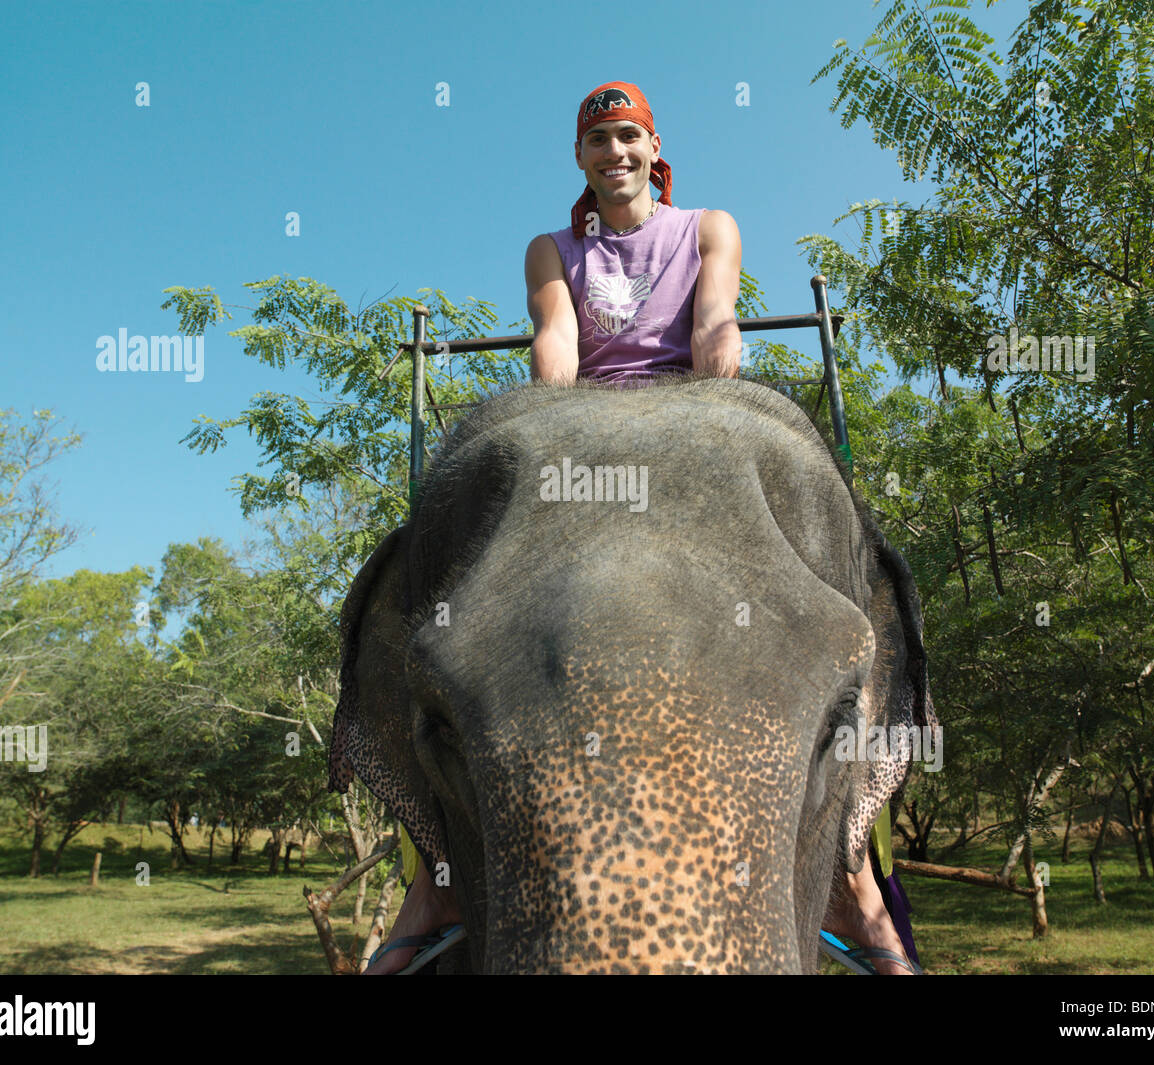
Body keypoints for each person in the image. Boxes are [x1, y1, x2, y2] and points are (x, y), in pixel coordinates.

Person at [367, 80, 918, 975]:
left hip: (696, 429)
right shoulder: (550, 250)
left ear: (653, 148)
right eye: (598, 143)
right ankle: (436, 876)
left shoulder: (707, 227)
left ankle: (850, 875)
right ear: (579, 161)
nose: (614, 154)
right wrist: (552, 447)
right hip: (585, 433)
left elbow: (715, 323)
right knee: (441, 647)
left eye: (628, 138)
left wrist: (716, 399)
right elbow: (557, 344)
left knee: (826, 667)